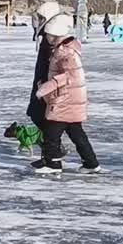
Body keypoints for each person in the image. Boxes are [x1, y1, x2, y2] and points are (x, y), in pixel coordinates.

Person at [32, 14, 100, 175]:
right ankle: (91, 163)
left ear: (56, 35)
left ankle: (53, 163)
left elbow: (70, 76)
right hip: (70, 99)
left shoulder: (67, 52)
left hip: (65, 100)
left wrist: (46, 87)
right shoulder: (63, 49)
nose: (47, 38)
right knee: (77, 134)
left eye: (49, 35)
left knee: (51, 133)